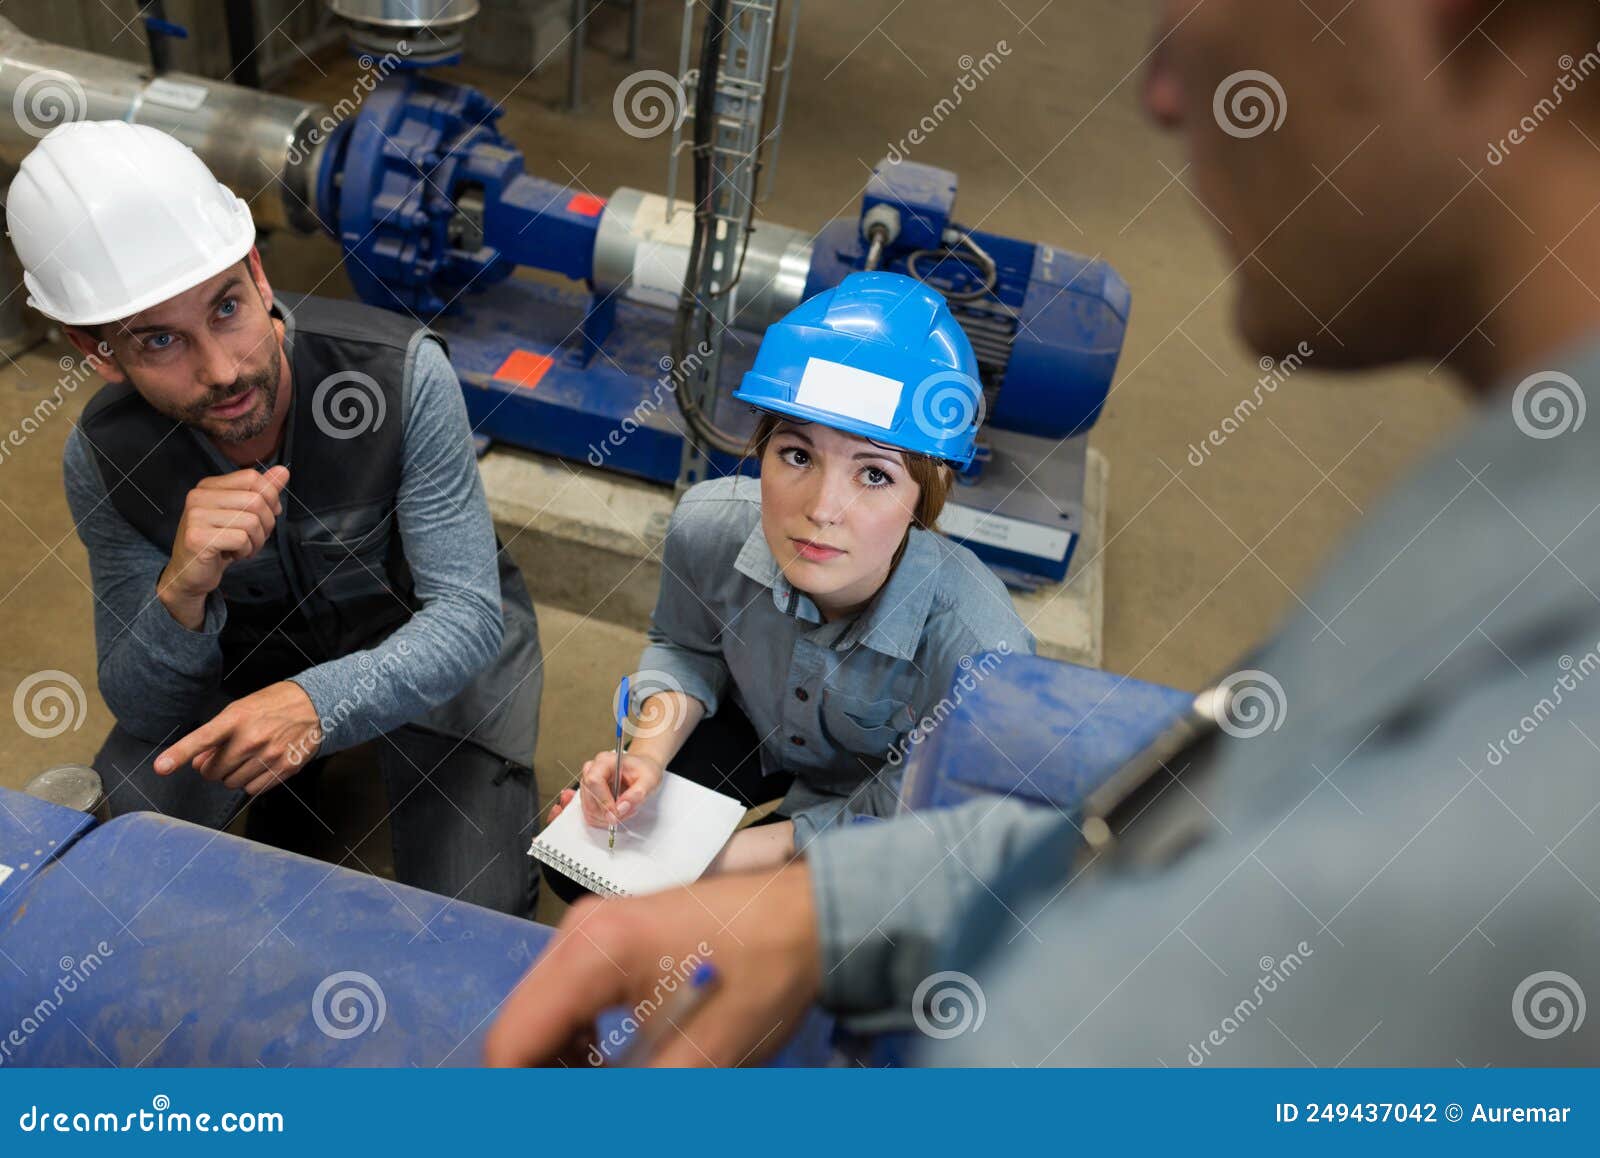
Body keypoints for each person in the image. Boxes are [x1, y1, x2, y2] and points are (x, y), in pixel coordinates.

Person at [485, 0, 1600, 1064]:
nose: (1163, 91)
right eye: (793, 456)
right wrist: (785, 890)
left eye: (1202, 9)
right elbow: (1146, 847)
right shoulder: (1474, 538)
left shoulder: (979, 647)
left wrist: (757, 870)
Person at [12, 120, 544, 918]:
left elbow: (467, 618)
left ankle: (319, 753)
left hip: (429, 650)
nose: (222, 370)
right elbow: (144, 706)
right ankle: (293, 769)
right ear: (98, 353)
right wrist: (181, 590)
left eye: (227, 307)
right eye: (160, 340)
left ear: (259, 273)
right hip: (251, 661)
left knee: (477, 906)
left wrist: (315, 705)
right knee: (119, 857)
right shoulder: (106, 457)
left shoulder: (400, 378)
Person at [541, 272, 1034, 898]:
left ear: (925, 496)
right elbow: (685, 647)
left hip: (879, 805)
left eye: (875, 475)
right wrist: (646, 753)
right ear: (762, 451)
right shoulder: (707, 529)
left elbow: (925, 821)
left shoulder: (980, 651)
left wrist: (708, 863)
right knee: (581, 874)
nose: (823, 508)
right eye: (798, 456)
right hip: (756, 730)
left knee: (768, 942)